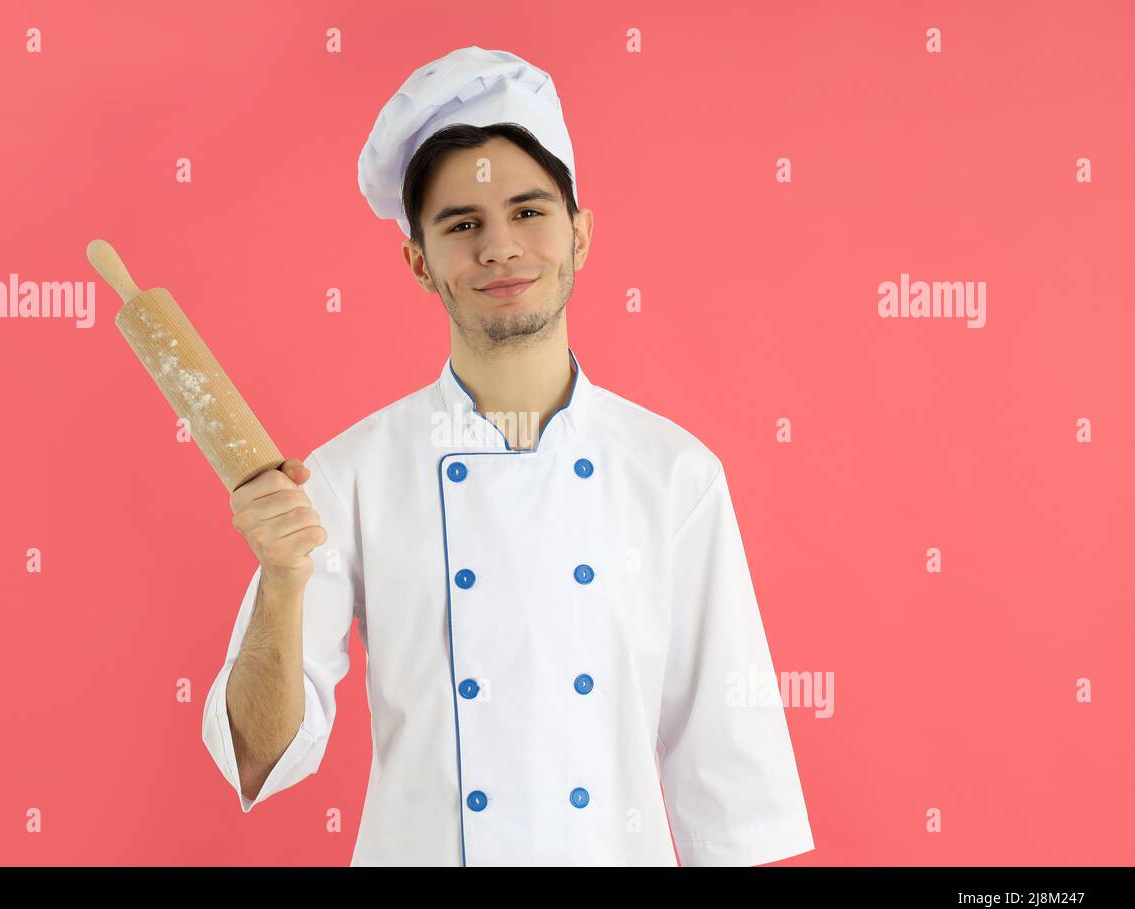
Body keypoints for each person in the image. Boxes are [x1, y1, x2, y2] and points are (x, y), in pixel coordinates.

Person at [202, 45, 815, 866]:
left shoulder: (675, 475)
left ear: (581, 235)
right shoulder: (347, 477)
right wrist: (281, 582)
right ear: (419, 260)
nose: (499, 248)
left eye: (529, 211)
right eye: (463, 225)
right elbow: (258, 757)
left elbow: (733, 793)